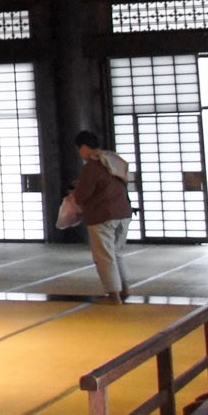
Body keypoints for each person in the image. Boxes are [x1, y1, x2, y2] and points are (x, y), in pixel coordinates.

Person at [70, 129, 134, 302]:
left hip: (103, 215)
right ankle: (125, 289)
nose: (79, 153)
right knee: (117, 253)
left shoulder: (92, 166)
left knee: (104, 256)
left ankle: (113, 295)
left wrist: (77, 189)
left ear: (83, 147)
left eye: (79, 149)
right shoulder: (112, 161)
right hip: (123, 212)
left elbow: (82, 195)